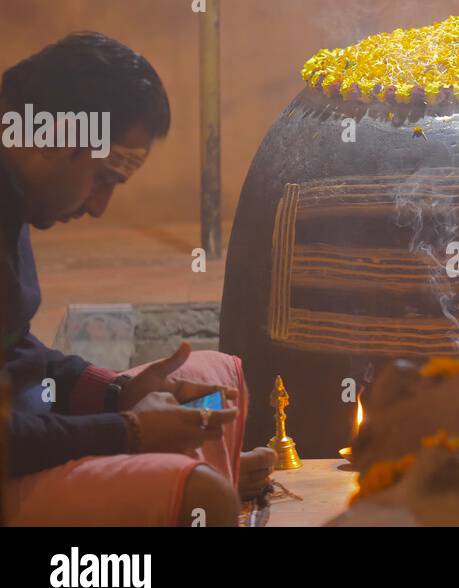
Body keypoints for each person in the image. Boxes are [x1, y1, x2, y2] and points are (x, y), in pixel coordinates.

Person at [0, 32, 275, 526]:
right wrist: (127, 432)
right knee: (201, 498)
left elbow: (17, 355)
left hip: (27, 430)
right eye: (104, 177)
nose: (99, 207)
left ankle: (194, 483)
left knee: (208, 377)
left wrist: (116, 394)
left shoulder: (12, 199)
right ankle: (199, 492)